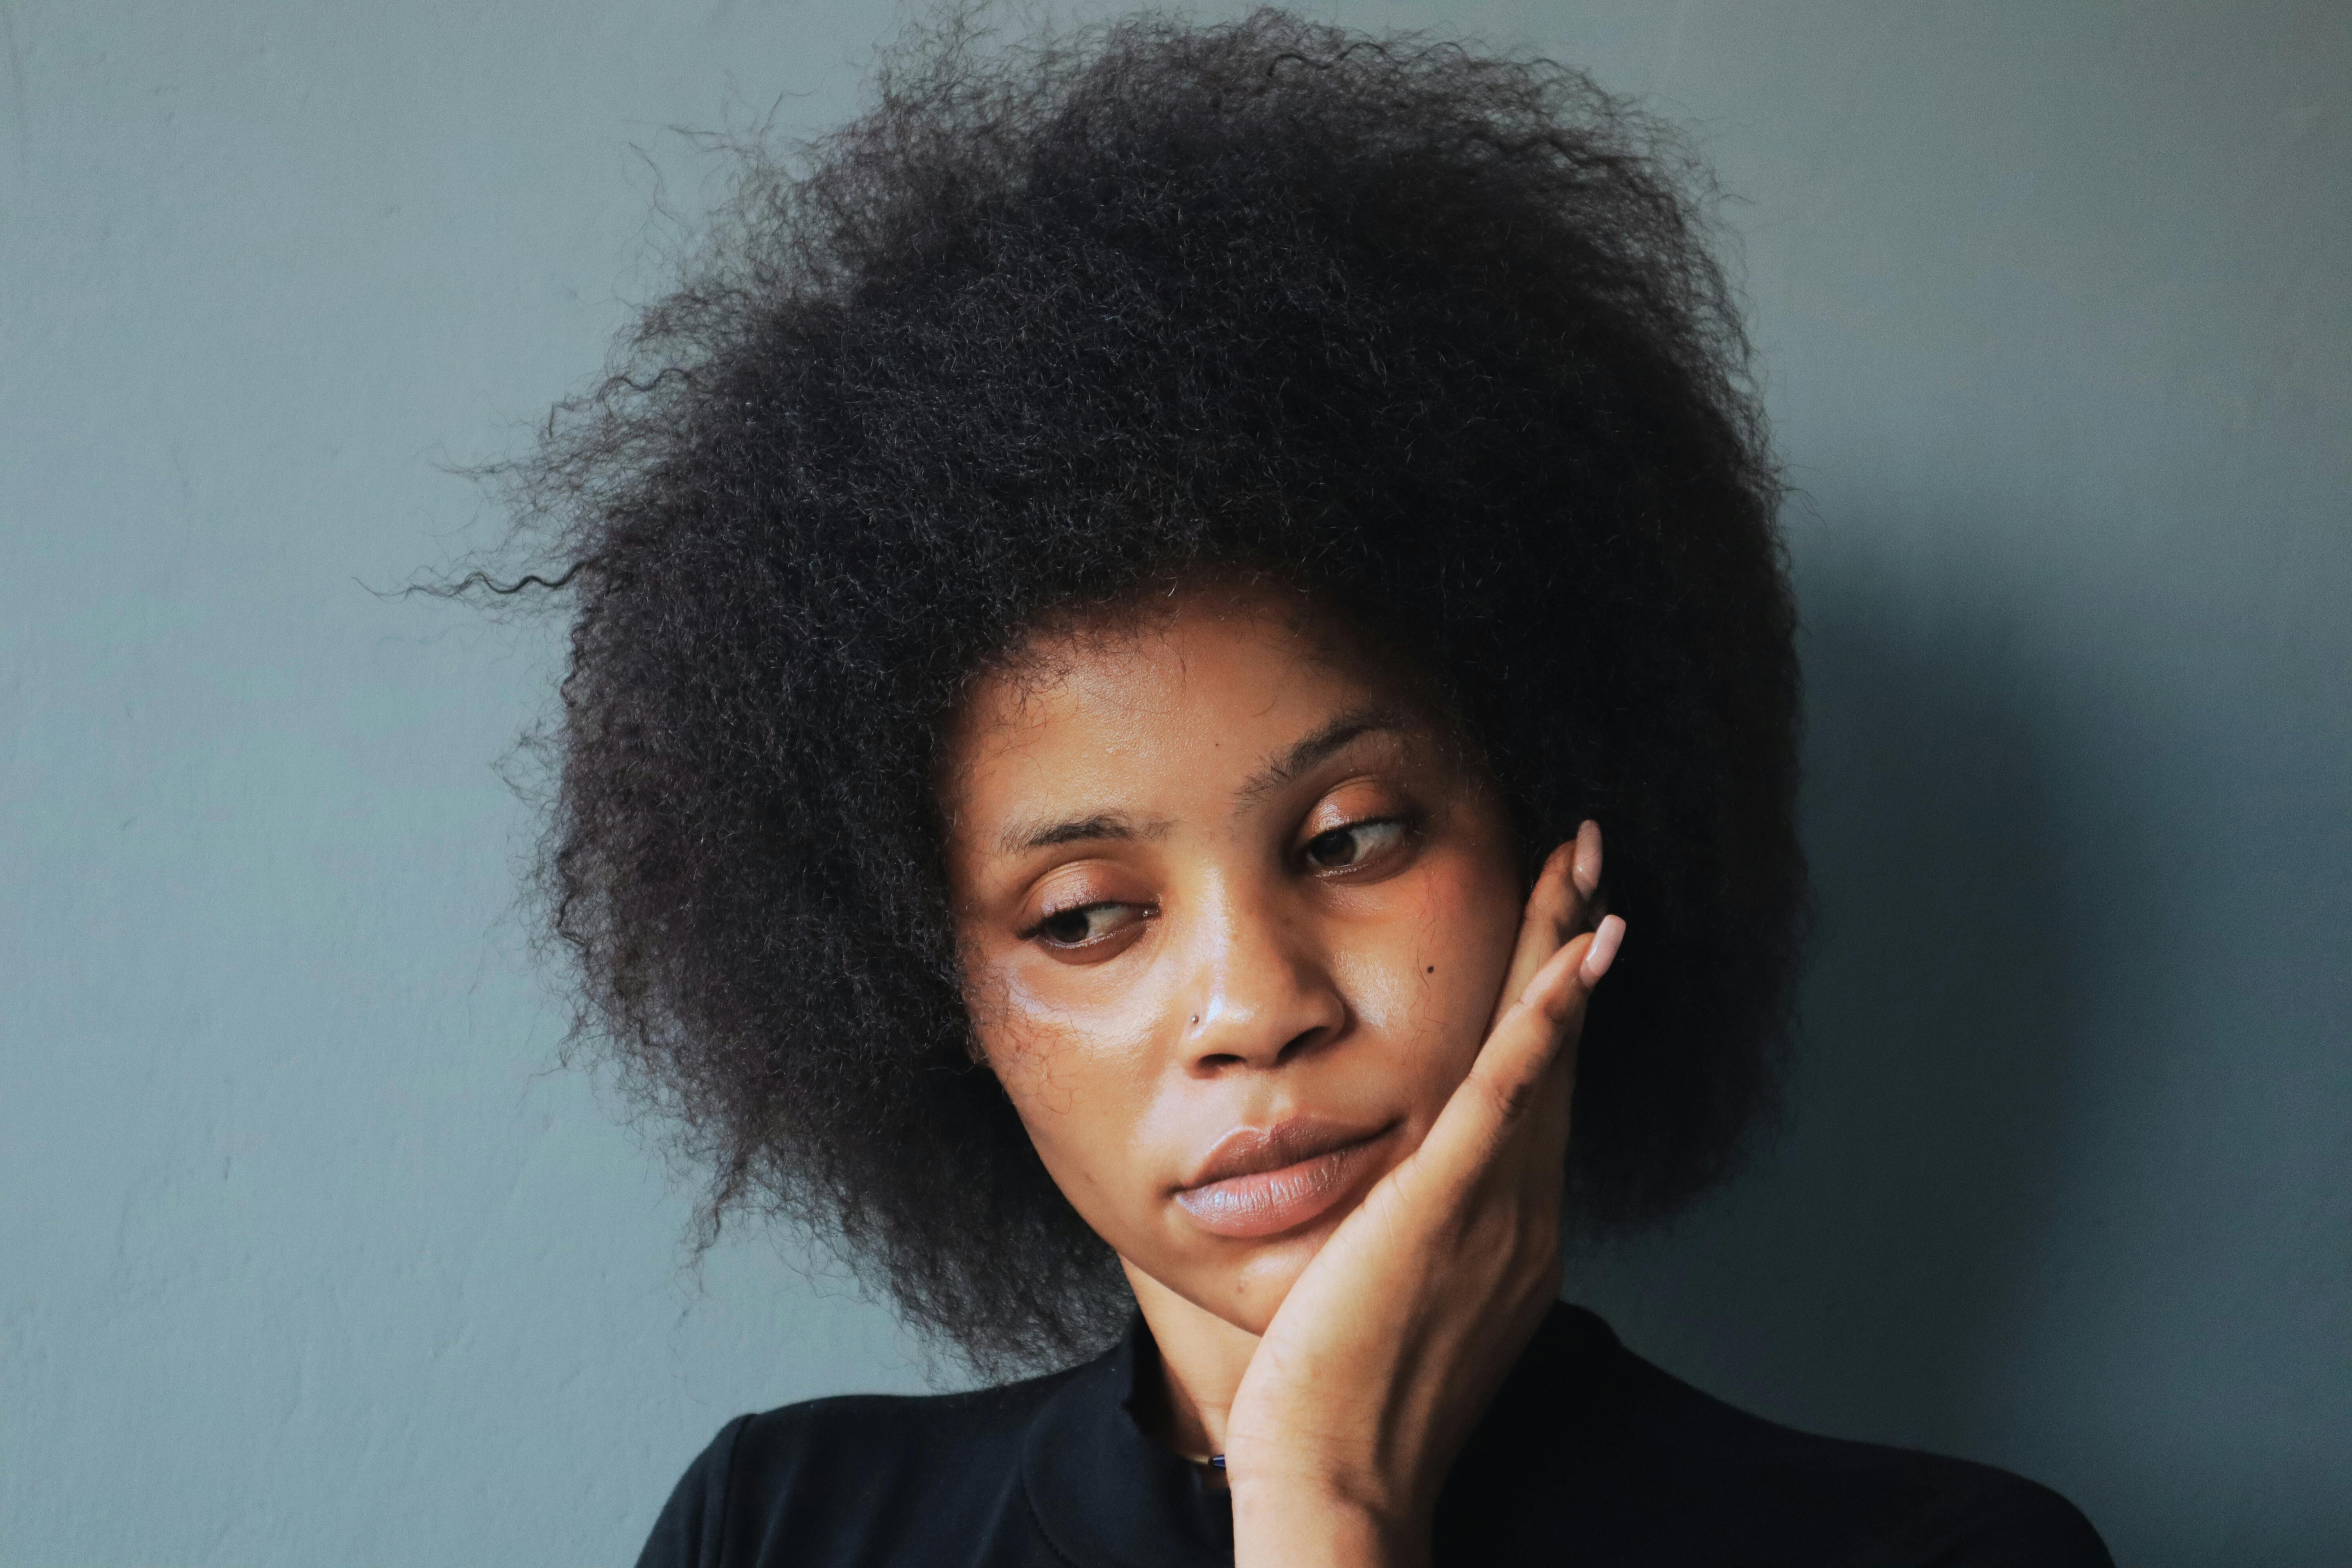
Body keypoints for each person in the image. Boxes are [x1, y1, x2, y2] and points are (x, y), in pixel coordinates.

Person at [483, 11, 2112, 1564]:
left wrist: (1328, 1496)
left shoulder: (1940, 1555)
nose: (1253, 1005)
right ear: (940, 998)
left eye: (1349, 837)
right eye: (1087, 917)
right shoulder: (784, 1528)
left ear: (1569, 847)